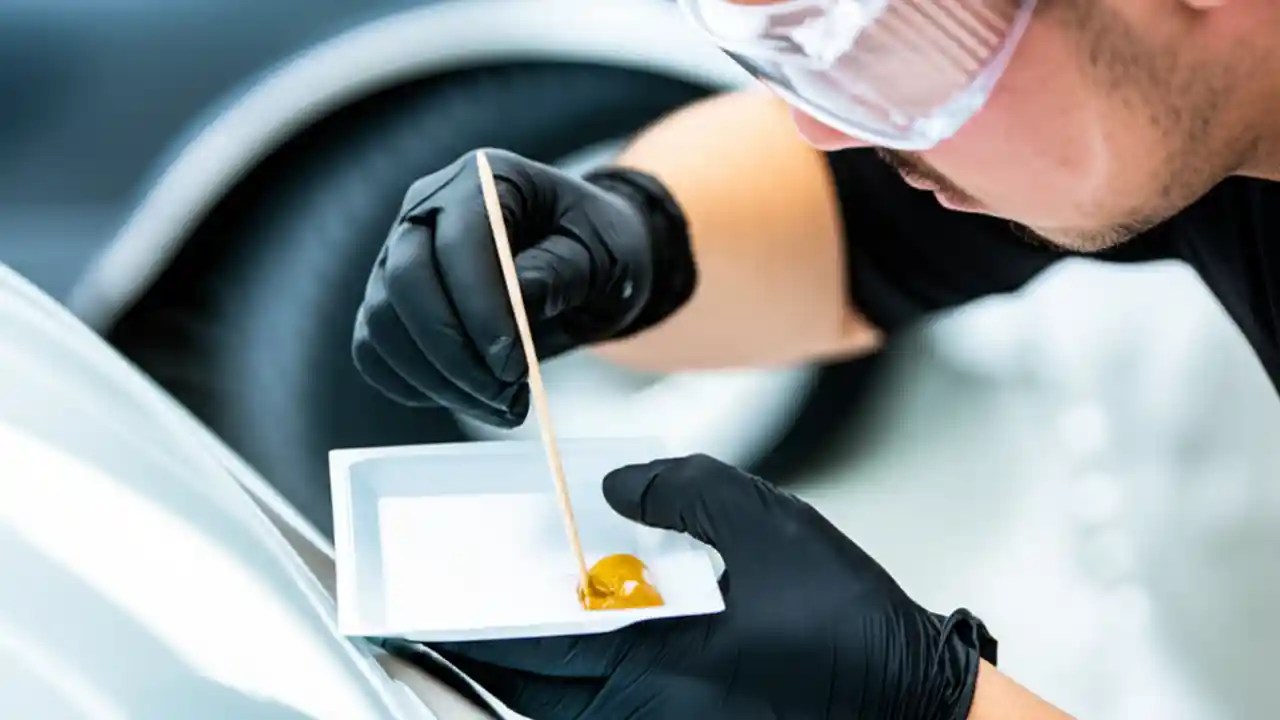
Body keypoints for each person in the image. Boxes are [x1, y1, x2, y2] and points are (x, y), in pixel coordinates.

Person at [349, 0, 1279, 716]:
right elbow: (856, 222)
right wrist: (633, 241)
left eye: (862, 41)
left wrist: (928, 702)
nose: (822, 125)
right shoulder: (1180, 102)